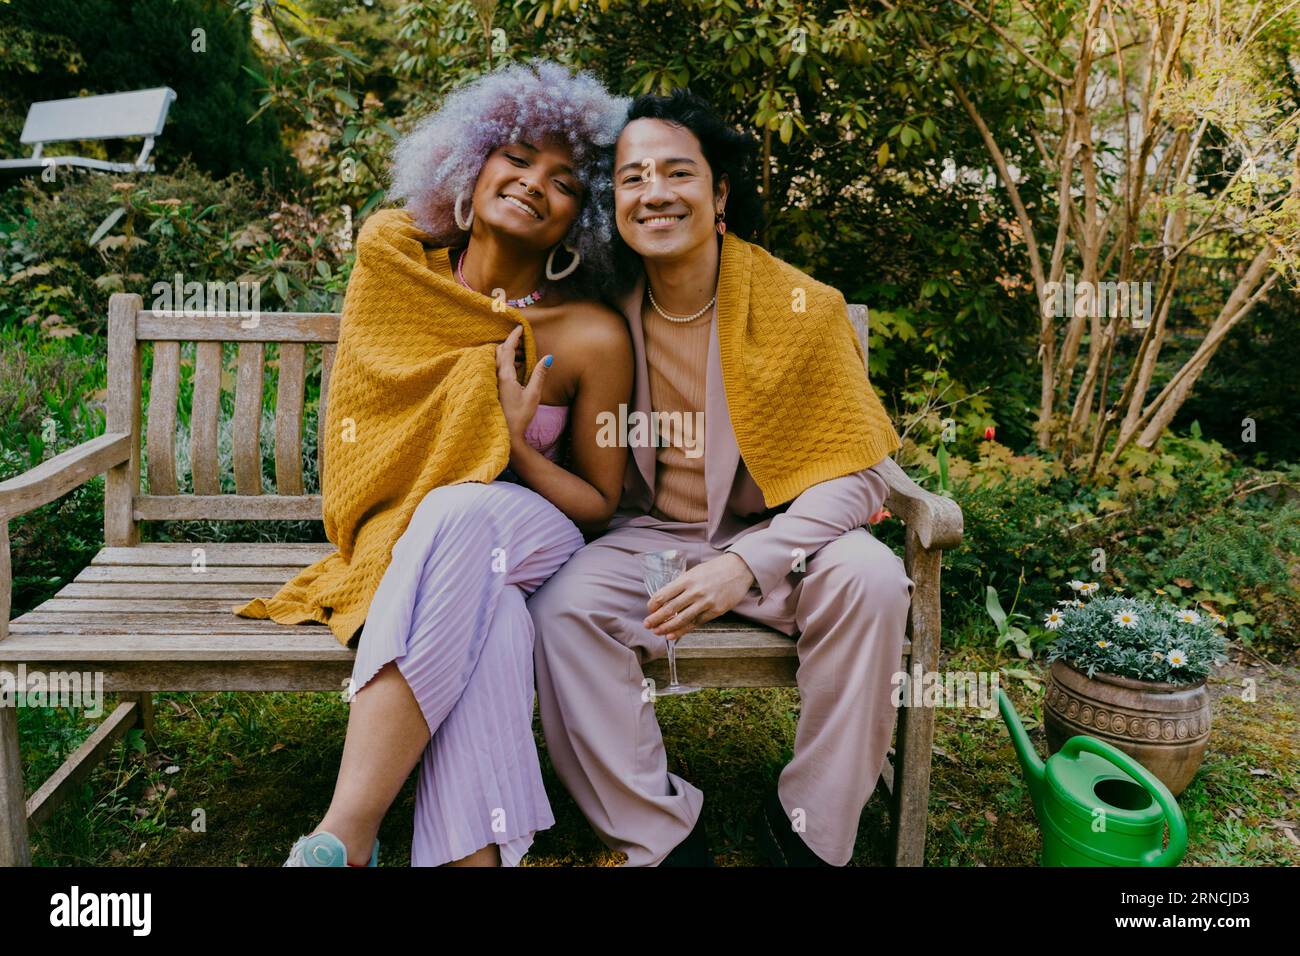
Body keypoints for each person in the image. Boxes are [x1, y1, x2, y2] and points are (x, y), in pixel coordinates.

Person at [236, 61, 633, 867]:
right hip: (423, 548)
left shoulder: (590, 333)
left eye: (562, 181)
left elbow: (598, 503)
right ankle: (471, 860)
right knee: (494, 623)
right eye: (516, 158)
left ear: (579, 220)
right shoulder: (397, 263)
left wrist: (517, 444)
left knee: (459, 512)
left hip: (539, 539)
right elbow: (367, 432)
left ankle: (344, 837)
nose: (531, 183)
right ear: (471, 162)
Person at [526, 89, 913, 867]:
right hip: (652, 543)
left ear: (718, 192)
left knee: (872, 577)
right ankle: (659, 837)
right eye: (633, 178)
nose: (656, 193)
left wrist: (747, 563)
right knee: (564, 608)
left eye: (678, 173)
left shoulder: (800, 305)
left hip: (781, 540)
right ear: (615, 201)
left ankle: (808, 835)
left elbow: (863, 475)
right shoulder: (600, 304)